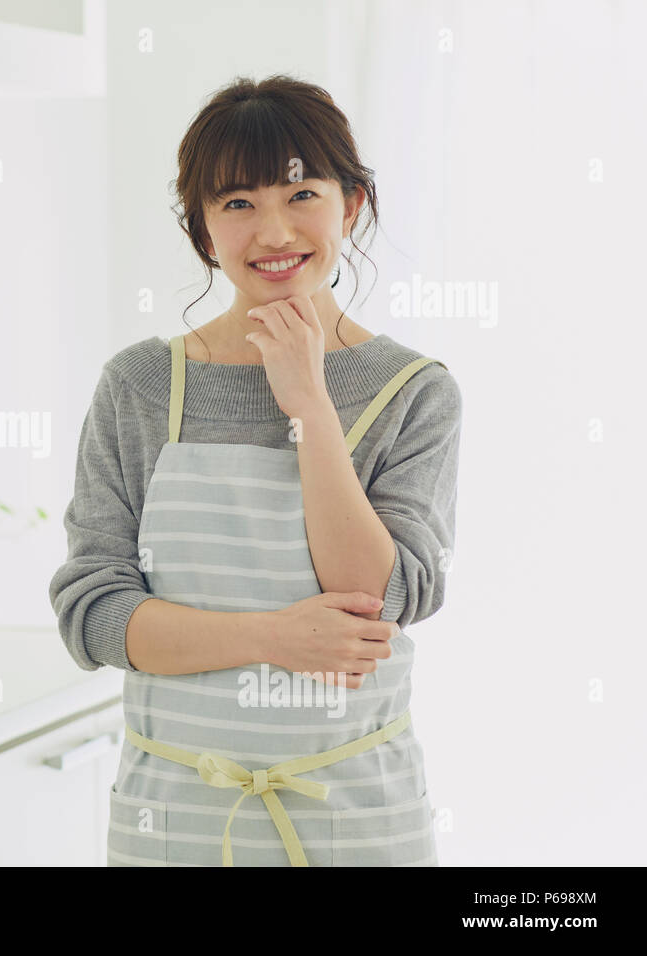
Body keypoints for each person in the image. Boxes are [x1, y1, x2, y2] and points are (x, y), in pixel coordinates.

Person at [48, 74, 462, 866]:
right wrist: (274, 637)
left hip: (357, 817)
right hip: (173, 819)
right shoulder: (139, 386)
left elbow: (383, 596)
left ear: (353, 204)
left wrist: (308, 399)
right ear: (204, 231)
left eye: (301, 192)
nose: (273, 231)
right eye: (236, 203)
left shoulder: (416, 393)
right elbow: (95, 615)